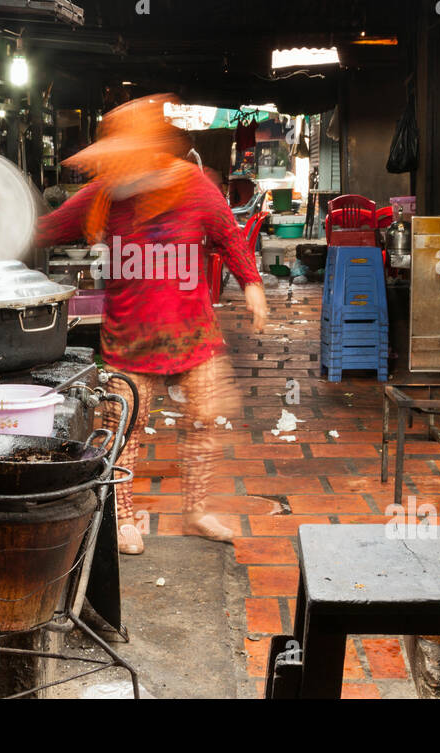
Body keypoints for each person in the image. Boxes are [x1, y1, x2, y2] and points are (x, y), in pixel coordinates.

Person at [37, 94, 268, 554]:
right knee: (125, 425)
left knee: (204, 419)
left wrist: (253, 285)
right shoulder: (103, 195)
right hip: (129, 337)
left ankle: (197, 510)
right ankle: (123, 519)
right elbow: (45, 229)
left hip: (193, 333)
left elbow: (228, 235)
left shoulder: (194, 186)